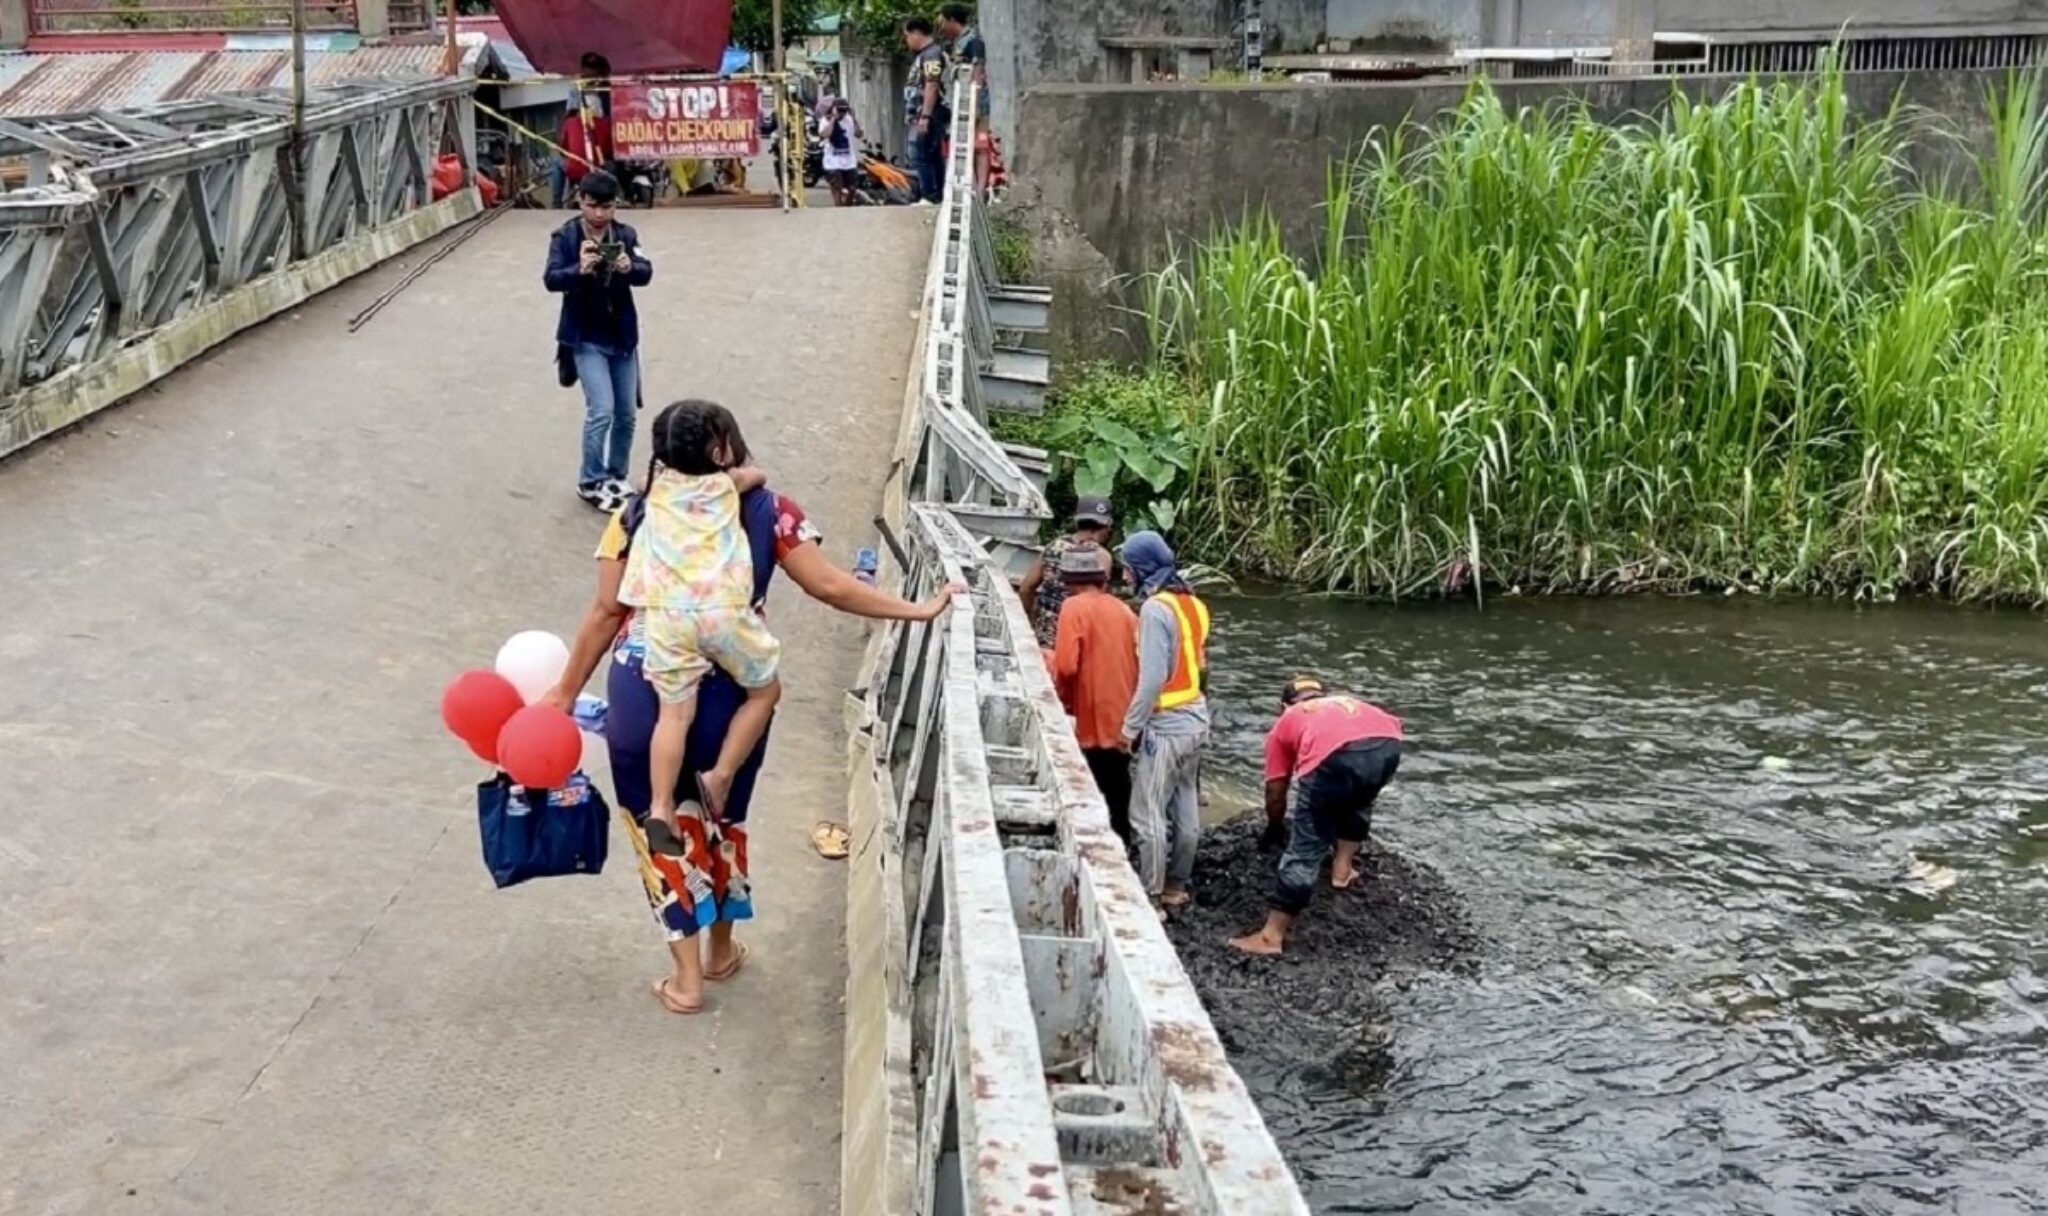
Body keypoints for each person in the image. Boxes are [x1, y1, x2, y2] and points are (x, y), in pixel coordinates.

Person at [545, 400, 964, 1014]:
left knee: (662, 833)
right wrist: (918, 609)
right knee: (721, 822)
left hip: (646, 686)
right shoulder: (769, 511)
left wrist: (562, 690)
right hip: (733, 694)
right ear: (724, 448)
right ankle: (721, 952)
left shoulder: (636, 512)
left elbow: (608, 609)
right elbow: (828, 585)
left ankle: (685, 980)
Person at [620, 402, 782, 847]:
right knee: (765, 692)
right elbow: (758, 476)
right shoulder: (726, 485)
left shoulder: (653, 488)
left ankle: (660, 807)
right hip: (722, 611)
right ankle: (720, 777)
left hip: (668, 615)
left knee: (674, 715)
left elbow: (640, 483)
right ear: (717, 451)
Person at [1230, 677, 1404, 956]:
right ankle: (1342, 870)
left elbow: (1276, 790)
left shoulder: (1286, 721)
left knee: (1307, 842)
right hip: (1388, 743)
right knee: (1359, 800)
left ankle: (1270, 937)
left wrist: (1274, 826)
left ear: (1283, 706)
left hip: (1335, 754)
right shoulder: (1342, 703)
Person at [544, 170, 651, 512]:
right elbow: (550, 279)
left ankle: (615, 475)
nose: (600, 215)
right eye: (593, 207)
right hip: (585, 336)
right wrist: (579, 269)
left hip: (622, 336)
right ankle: (590, 480)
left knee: (626, 415)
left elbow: (646, 271)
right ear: (581, 202)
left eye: (607, 207)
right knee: (601, 410)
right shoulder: (564, 236)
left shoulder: (626, 234)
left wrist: (627, 265)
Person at [1118, 530, 1210, 910]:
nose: (1124, 578)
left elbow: (1153, 677)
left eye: (1128, 569)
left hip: (1167, 723)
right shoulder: (1192, 603)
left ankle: (1151, 898)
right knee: (1186, 803)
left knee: (1147, 811)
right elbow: (1201, 667)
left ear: (1141, 569)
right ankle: (1177, 886)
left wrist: (1130, 727)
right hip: (1197, 717)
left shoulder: (1155, 610)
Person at [1049, 542, 1140, 843]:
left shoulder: (1073, 608)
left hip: (1091, 716)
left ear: (1067, 581)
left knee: (1092, 789)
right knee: (1119, 787)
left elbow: (1065, 666)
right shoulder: (1126, 612)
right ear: (1103, 579)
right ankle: (1125, 845)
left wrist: (1063, 703)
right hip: (1124, 718)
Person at [1019, 495, 1115, 651]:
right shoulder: (1101, 557)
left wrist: (1033, 620)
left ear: (1077, 521)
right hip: (1073, 643)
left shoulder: (1053, 546)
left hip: (1042, 641)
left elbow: (1026, 588)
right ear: (1107, 526)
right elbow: (1097, 604)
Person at [552, 52, 614, 208]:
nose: (588, 75)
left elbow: (563, 147)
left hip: (594, 156)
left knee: (556, 162)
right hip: (600, 157)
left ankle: (556, 203)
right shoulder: (578, 97)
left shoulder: (573, 121)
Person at [903, 16, 949, 204]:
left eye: (907, 36)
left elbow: (931, 85)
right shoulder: (926, 55)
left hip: (928, 114)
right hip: (922, 114)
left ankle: (930, 195)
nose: (906, 41)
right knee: (929, 155)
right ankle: (935, 194)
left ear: (916, 33)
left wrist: (925, 116)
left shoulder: (931, 55)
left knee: (921, 155)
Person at [818, 96, 863, 207]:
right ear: (833, 108)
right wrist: (833, 118)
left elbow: (859, 134)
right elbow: (825, 134)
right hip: (832, 163)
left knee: (852, 189)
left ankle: (846, 207)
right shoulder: (826, 120)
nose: (842, 113)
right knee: (837, 188)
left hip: (849, 162)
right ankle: (838, 210)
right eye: (839, 109)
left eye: (844, 110)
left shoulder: (849, 119)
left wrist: (854, 118)